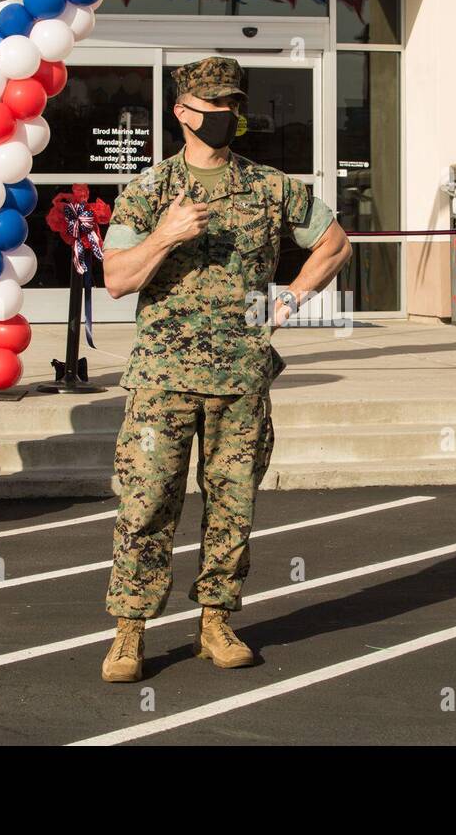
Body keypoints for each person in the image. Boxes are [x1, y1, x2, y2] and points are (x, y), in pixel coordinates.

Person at [98, 56, 351, 682]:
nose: (227, 118)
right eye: (214, 109)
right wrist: (164, 236)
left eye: (233, 108)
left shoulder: (269, 187)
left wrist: (290, 296)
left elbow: (335, 243)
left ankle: (216, 620)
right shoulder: (149, 191)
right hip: (162, 381)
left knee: (232, 505)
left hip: (240, 379)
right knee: (146, 503)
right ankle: (130, 632)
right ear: (183, 113)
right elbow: (115, 280)